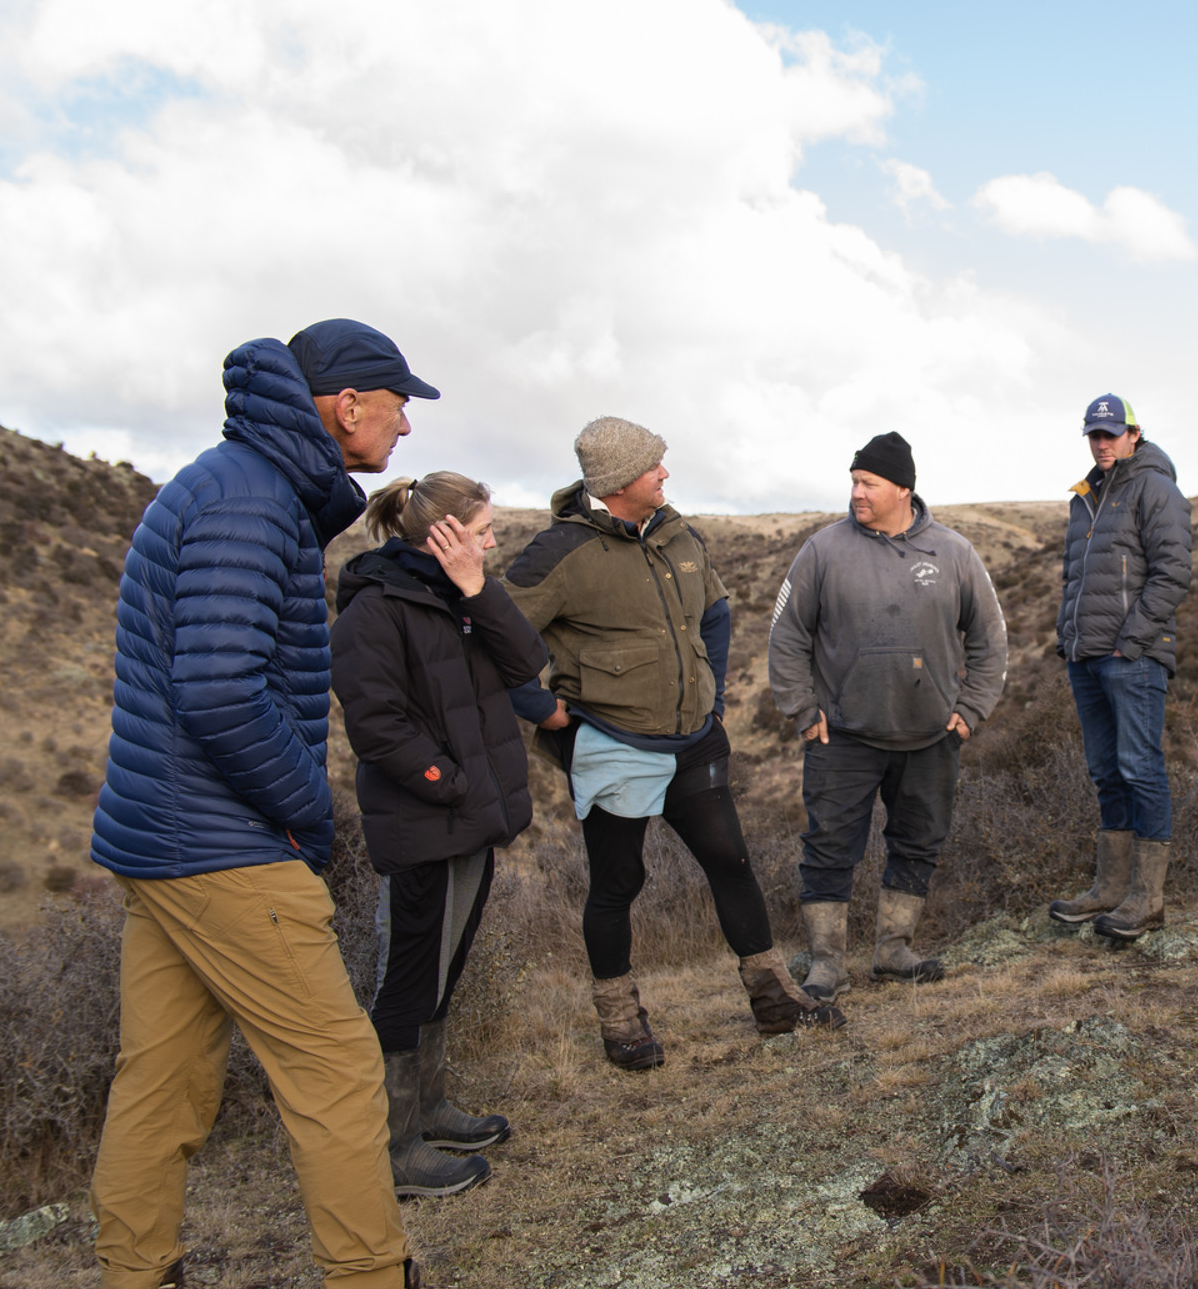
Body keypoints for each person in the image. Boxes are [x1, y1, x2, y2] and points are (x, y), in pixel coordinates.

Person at [89, 319, 533, 1289]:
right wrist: (306, 809)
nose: (406, 420)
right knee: (338, 1073)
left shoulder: (243, 485)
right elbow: (223, 693)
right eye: (395, 400)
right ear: (341, 404)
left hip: (165, 837)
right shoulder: (247, 499)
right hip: (222, 840)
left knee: (161, 1084)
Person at [504, 417, 844, 1069]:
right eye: (655, 466)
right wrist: (542, 710)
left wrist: (713, 699)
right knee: (618, 880)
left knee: (731, 861)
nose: (666, 473)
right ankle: (621, 1022)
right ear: (620, 481)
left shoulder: (676, 531)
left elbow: (715, 610)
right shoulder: (558, 555)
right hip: (611, 740)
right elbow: (494, 642)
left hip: (694, 737)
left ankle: (775, 1002)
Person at [331, 472, 549, 1198]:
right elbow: (375, 723)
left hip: (471, 819)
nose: (491, 541)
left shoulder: (460, 597)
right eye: (482, 530)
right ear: (445, 532)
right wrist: (446, 783)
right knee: (408, 976)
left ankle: (429, 1109)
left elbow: (525, 664)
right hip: (430, 817)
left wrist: (478, 586)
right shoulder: (375, 608)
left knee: (444, 968)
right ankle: (393, 1150)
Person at [766, 432, 1009, 998]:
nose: (856, 493)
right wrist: (803, 710)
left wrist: (971, 710)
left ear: (903, 488)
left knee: (919, 840)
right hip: (842, 736)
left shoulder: (954, 552)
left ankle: (893, 950)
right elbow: (786, 637)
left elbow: (990, 638)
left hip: (930, 736)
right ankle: (826, 961)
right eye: (853, 481)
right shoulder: (823, 550)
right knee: (828, 847)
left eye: (868, 483)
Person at [1046, 394, 1192, 947]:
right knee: (1106, 770)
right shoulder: (1084, 498)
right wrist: (1069, 639)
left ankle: (1147, 898)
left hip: (1131, 658)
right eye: (1094, 435)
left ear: (1134, 434)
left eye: (1111, 433)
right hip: (1086, 657)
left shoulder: (1155, 487)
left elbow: (1174, 571)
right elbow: (1074, 579)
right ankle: (1110, 887)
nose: (1102, 443)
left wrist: (1131, 641)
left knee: (1139, 767)